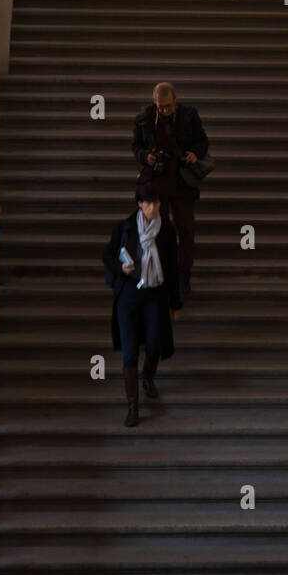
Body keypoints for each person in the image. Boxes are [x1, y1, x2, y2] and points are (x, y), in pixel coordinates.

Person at [102, 183, 182, 427]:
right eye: (148, 203)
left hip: (155, 294)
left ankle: (148, 377)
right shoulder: (125, 227)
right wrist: (121, 268)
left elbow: (173, 268)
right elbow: (107, 255)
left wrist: (175, 303)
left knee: (155, 344)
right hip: (129, 294)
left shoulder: (166, 230)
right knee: (130, 351)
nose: (153, 208)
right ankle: (132, 405)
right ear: (139, 204)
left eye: (156, 203)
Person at [131, 82, 208, 298]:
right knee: (159, 231)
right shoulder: (145, 118)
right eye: (160, 107)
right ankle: (161, 274)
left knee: (186, 229)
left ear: (175, 101)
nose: (164, 110)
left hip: (182, 182)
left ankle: (183, 276)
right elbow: (135, 146)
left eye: (168, 106)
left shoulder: (189, 115)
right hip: (156, 183)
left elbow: (203, 141)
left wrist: (194, 153)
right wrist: (146, 157)